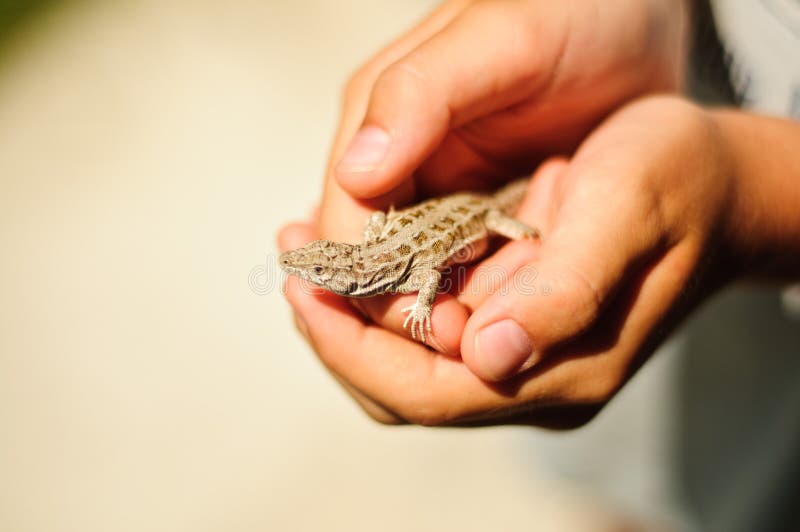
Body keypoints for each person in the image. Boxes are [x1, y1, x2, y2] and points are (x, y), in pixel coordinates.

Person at [278, 0, 800, 430]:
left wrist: (746, 188)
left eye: (321, 271)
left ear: (351, 275)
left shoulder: (404, 270)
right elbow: (381, 235)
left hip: (486, 215)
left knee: (517, 229)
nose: (310, 272)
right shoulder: (376, 258)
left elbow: (431, 271)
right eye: (320, 266)